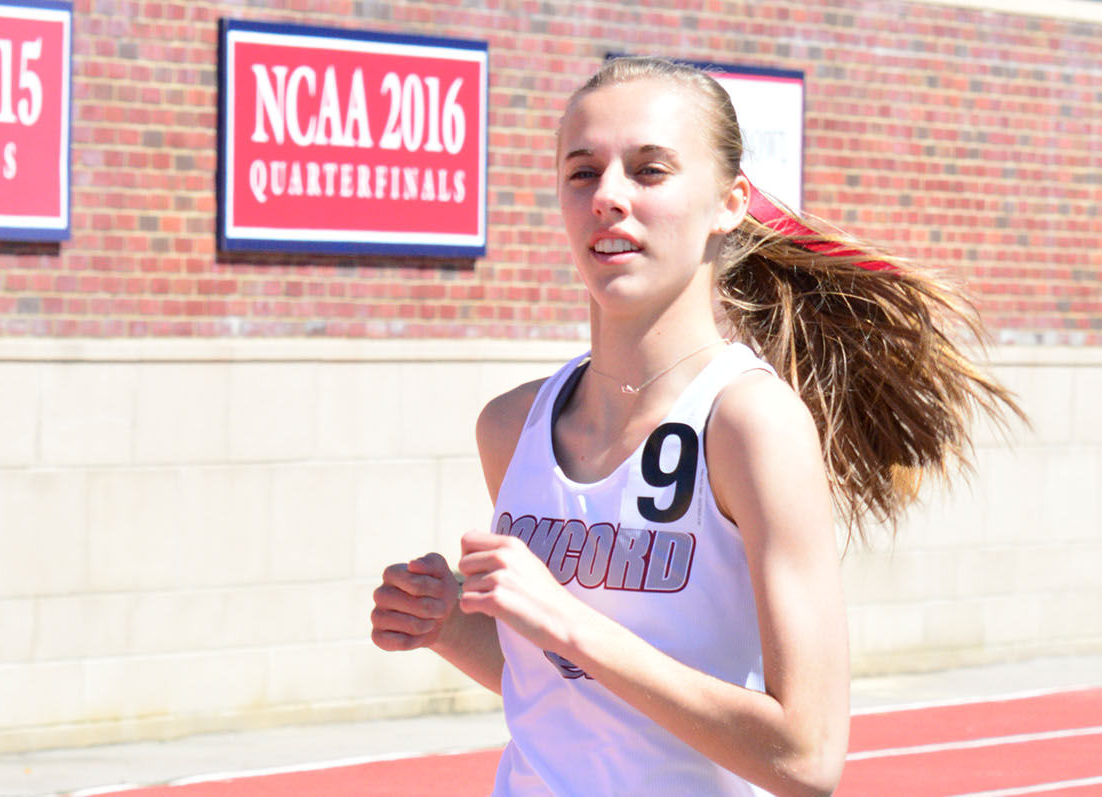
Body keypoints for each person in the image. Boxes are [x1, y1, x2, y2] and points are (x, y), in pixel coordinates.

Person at [370, 56, 1019, 796]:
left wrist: (569, 621)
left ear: (729, 203)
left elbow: (807, 759)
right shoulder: (511, 425)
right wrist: (449, 625)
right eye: (583, 172)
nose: (608, 196)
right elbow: (569, 690)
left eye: (649, 171)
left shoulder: (750, 423)